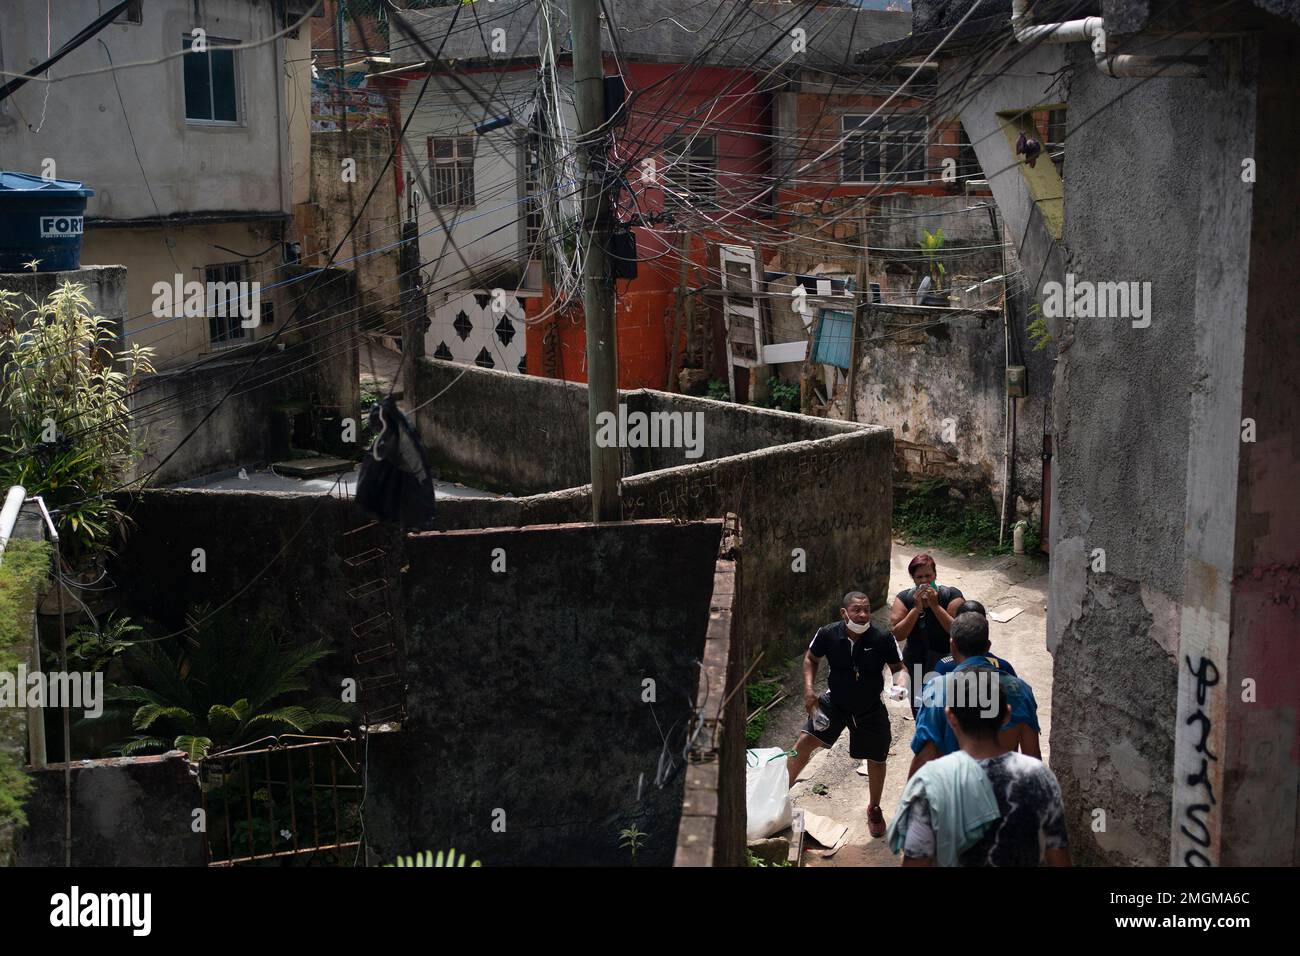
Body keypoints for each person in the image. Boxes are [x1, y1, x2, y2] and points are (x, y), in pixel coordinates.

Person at [889, 668, 1071, 866]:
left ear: (951, 717)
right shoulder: (1039, 777)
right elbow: (1059, 857)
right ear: (1006, 716)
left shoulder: (930, 783)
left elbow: (916, 862)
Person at [786, 590, 907, 838]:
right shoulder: (828, 633)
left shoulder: (883, 637)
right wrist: (809, 690)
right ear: (844, 613)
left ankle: (874, 808)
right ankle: (778, 797)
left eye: (866, 610)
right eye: (857, 610)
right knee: (802, 744)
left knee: (877, 758)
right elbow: (811, 658)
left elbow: (898, 667)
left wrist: (900, 684)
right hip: (835, 702)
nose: (863, 615)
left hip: (870, 707)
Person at [908, 613, 1041, 779]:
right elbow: (1032, 756)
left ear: (952, 645)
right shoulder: (1020, 690)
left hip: (953, 792)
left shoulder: (936, 689)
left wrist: (909, 799)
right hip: (1004, 794)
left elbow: (925, 755)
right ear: (988, 647)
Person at [891, 554, 965, 714]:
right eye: (919, 577)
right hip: (916, 663)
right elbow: (897, 634)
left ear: (935, 575)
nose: (924, 581)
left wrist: (935, 606)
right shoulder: (904, 598)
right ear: (913, 578)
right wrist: (916, 610)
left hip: (947, 662)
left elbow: (959, 631)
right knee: (920, 709)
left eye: (928, 576)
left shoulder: (951, 595)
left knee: (948, 709)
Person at [931, 600, 1018, 677]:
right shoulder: (1004, 667)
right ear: (988, 646)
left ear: (953, 645)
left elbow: (927, 694)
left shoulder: (944, 666)